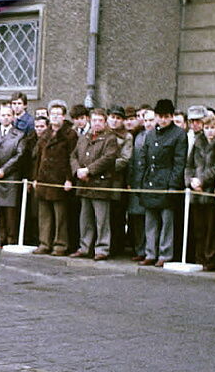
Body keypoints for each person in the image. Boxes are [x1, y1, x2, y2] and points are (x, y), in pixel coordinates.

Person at [139, 98, 188, 267]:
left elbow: (179, 162)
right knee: (150, 221)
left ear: (172, 116)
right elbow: (144, 159)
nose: (163, 120)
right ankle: (150, 252)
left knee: (167, 222)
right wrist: (142, 182)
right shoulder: (151, 134)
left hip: (167, 182)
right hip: (151, 181)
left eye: (166, 116)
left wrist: (174, 185)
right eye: (160, 116)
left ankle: (165, 254)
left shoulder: (179, 134)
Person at [67, 108, 119, 260]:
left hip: (100, 183)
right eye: (94, 120)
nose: (97, 123)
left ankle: (102, 249)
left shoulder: (110, 138)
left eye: (100, 120)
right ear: (90, 120)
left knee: (101, 220)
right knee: (85, 219)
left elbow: (108, 158)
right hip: (84, 184)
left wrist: (89, 170)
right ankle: (84, 247)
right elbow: (74, 155)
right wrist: (77, 170)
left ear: (105, 122)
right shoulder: (84, 137)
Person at [33, 101, 77, 255]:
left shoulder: (70, 134)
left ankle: (60, 244)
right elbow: (38, 157)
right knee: (44, 215)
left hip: (60, 179)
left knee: (61, 216)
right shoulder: (45, 134)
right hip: (44, 178)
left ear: (64, 117)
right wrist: (36, 177)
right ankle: (44, 243)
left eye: (59, 114)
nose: (55, 117)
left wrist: (69, 179)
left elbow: (72, 157)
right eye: (53, 114)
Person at [185, 114, 215, 271]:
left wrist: (201, 180)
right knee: (198, 228)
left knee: (211, 229)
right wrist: (191, 181)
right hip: (196, 192)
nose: (209, 131)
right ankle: (198, 257)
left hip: (210, 191)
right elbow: (189, 165)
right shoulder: (198, 142)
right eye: (207, 128)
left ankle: (210, 260)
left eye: (212, 128)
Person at [0, 103, 27, 245]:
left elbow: (20, 156)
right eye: (3, 115)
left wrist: (4, 170)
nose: (5, 118)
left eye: (8, 115)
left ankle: (11, 238)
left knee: (10, 211)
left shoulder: (19, 135)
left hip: (10, 177)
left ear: (13, 117)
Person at [127, 108, 156, 261]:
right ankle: (140, 250)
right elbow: (132, 160)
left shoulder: (159, 136)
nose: (148, 124)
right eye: (145, 121)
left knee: (150, 219)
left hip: (152, 182)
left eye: (151, 120)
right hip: (137, 182)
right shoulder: (138, 136)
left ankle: (150, 251)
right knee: (137, 217)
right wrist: (130, 181)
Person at [106, 106, 133, 255]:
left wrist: (104, 166)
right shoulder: (102, 132)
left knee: (116, 214)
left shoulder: (126, 137)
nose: (115, 121)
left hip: (116, 179)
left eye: (118, 118)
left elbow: (125, 159)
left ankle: (116, 246)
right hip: (99, 180)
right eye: (112, 117)